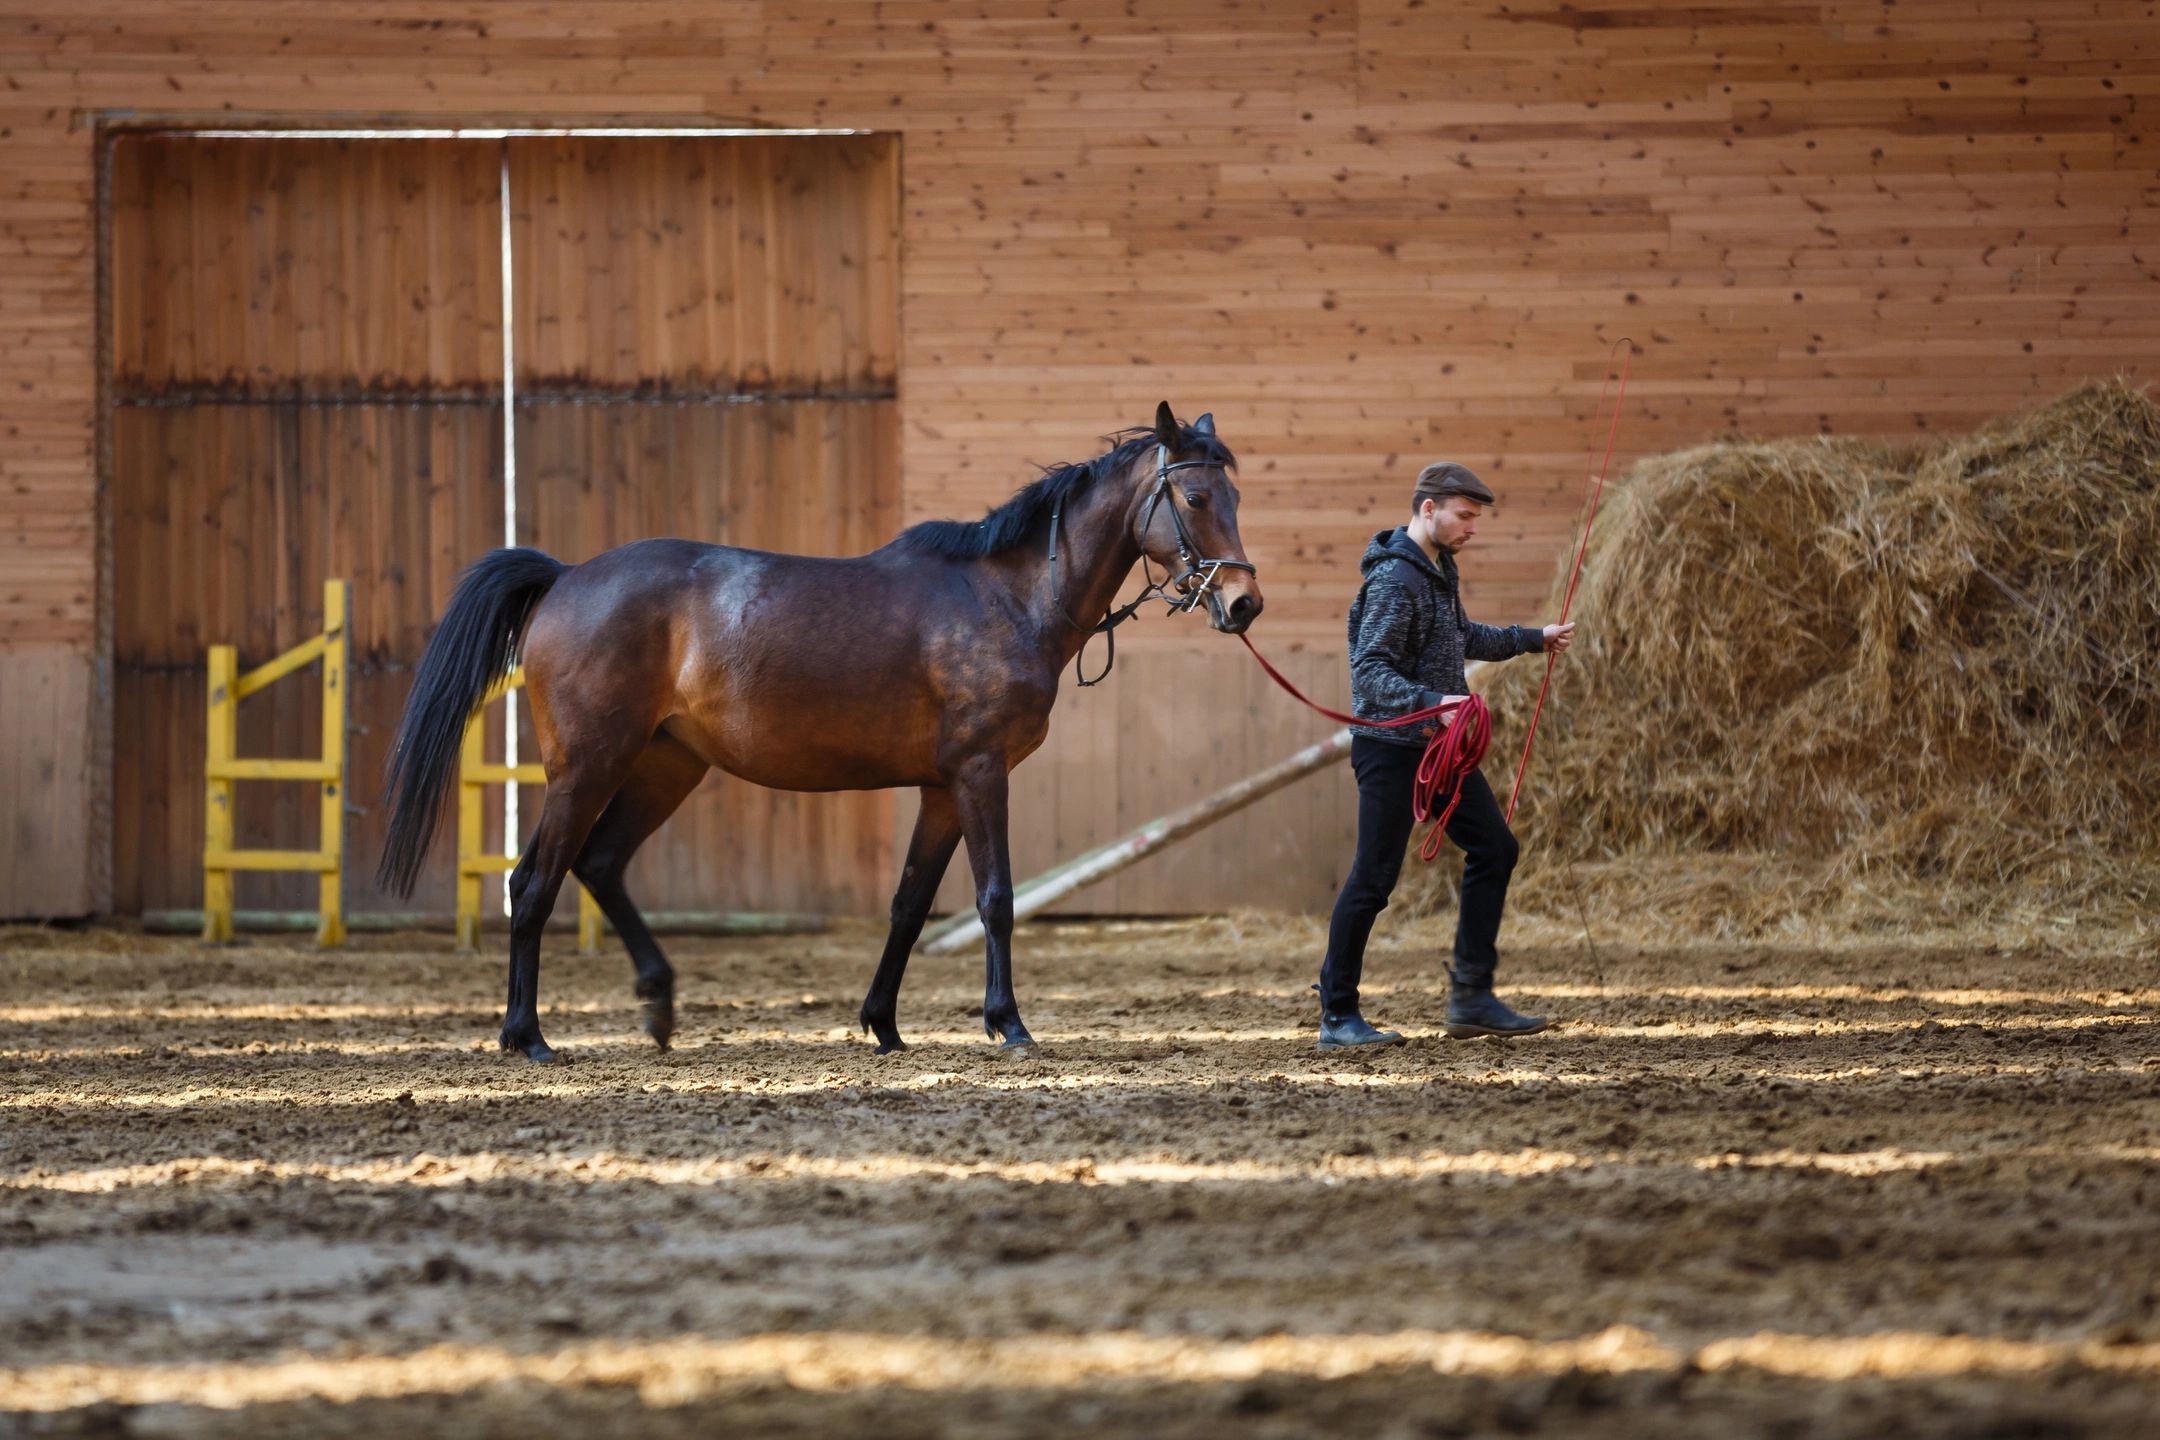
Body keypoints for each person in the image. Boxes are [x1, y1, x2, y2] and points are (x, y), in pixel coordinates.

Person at [1315, 461, 1575, 1050]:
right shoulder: (1394, 580)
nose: (1471, 528)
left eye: (1476, 518)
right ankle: (1337, 1013)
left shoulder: (1437, 571)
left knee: (1495, 848)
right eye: (1464, 515)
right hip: (1391, 750)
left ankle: (1472, 998)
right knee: (1374, 879)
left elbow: (1463, 637)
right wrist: (1434, 702)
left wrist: (1532, 639)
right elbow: (1369, 671)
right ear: (1428, 509)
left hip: (1437, 750)